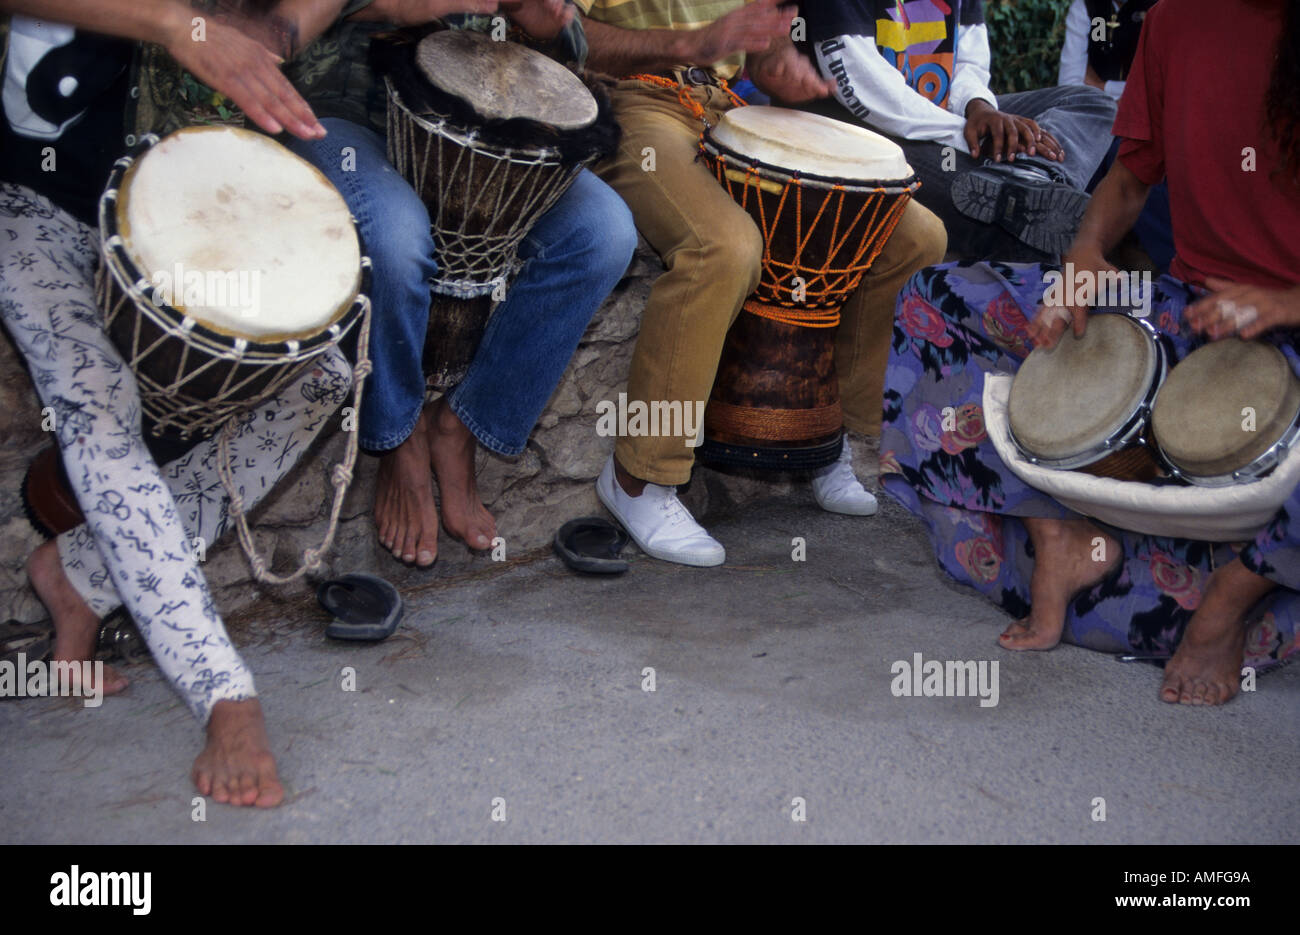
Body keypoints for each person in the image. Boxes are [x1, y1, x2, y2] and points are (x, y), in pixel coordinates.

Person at [878, 0, 1298, 705]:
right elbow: (1131, 180)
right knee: (933, 302)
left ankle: (1230, 598)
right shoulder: (1175, 18)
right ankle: (1062, 533)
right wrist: (1082, 255)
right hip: (1188, 309)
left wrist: (1285, 302)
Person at [1, 0, 358, 807]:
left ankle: (81, 575)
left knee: (325, 375)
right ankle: (226, 696)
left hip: (176, 193)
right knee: (98, 405)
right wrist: (174, 25)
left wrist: (284, 28)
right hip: (29, 191)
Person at [576, 0, 948, 567]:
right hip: (631, 101)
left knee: (915, 236)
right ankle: (638, 477)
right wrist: (690, 45)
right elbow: (557, 32)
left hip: (723, 106)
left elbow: (764, 55)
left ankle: (826, 440)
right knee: (721, 248)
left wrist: (782, 66)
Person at [281, 0, 638, 569]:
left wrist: (553, 25)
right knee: (397, 240)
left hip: (485, 131)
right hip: (343, 115)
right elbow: (274, 26)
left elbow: (561, 60)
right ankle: (398, 437)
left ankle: (462, 424)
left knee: (603, 234)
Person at [798, 0, 1117, 262]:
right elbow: (861, 86)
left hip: (945, 121)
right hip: (869, 139)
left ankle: (1033, 174)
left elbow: (970, 56)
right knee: (1010, 216)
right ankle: (1022, 195)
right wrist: (964, 131)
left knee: (1092, 103)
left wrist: (980, 107)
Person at [1058, 0, 1172, 272]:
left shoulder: (1162, 10)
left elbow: (1163, 89)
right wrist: (1123, 96)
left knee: (1129, 156)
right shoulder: (1086, 7)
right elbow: (1071, 87)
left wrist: (1103, 86)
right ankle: (1072, 248)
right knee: (1076, 150)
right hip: (1092, 120)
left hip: (1146, 124)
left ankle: (1164, 259)